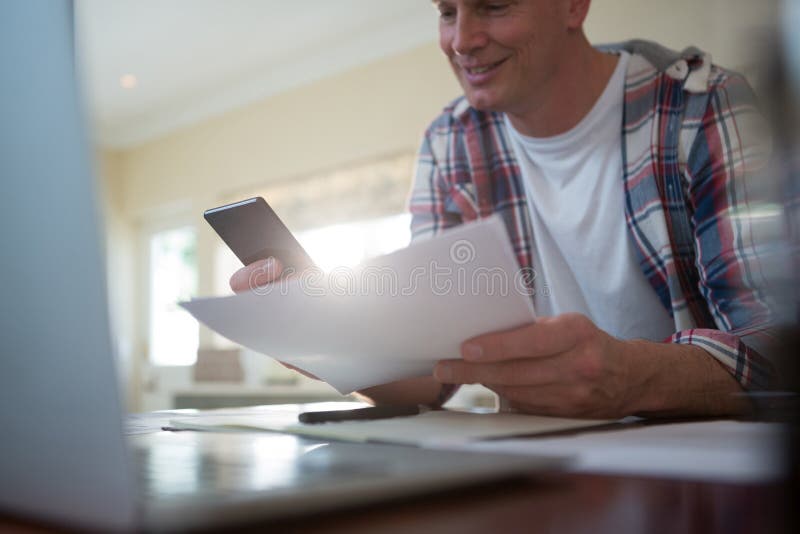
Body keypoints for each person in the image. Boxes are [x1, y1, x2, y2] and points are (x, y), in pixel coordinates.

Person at [231, 0, 776, 418]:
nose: (462, 40)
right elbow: (432, 371)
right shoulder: (450, 142)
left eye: (494, 5)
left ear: (573, 5)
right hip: (535, 474)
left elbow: (776, 349)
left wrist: (631, 376)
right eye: (447, 11)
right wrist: (325, 340)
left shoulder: (700, 107)